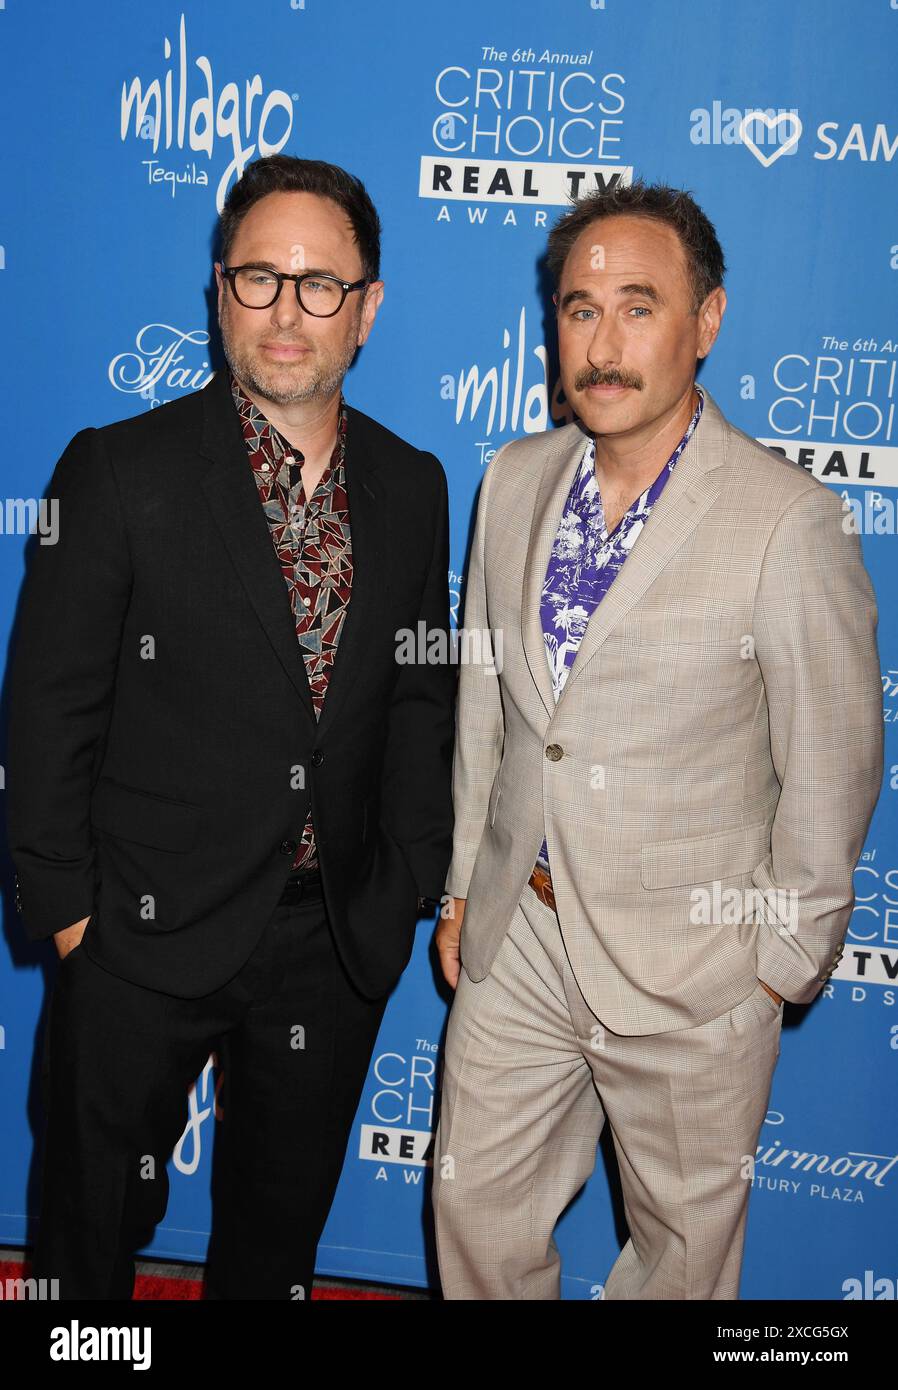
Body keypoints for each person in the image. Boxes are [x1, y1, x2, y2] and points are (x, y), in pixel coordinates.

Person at [8, 154, 454, 1300]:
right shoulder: (118, 469)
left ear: (368, 309)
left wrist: (402, 880)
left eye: (320, 284)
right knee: (90, 1229)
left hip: (328, 942)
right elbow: (48, 708)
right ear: (219, 291)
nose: (287, 311)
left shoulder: (412, 485)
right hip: (137, 935)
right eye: (260, 278)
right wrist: (70, 923)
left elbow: (418, 693)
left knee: (275, 1235)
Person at [432, 180, 883, 1300]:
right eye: (579, 309)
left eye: (638, 306)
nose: (602, 340)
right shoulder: (514, 480)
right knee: (472, 1211)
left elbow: (834, 762)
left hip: (696, 966)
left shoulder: (786, 519)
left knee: (681, 1260)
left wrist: (775, 965)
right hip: (521, 935)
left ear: (707, 321)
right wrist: (459, 889)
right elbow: (486, 705)